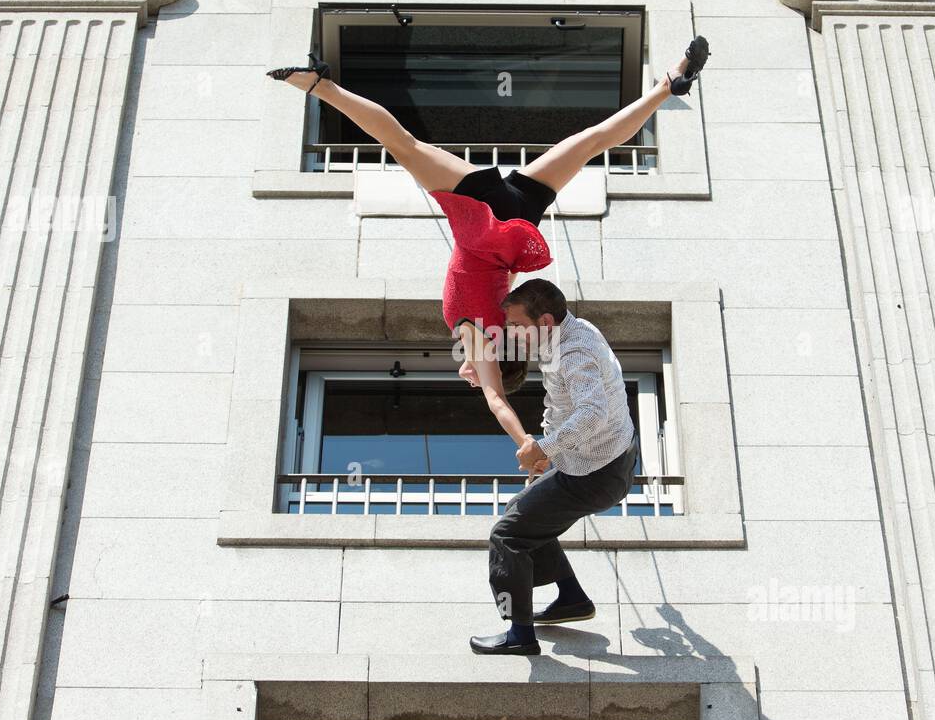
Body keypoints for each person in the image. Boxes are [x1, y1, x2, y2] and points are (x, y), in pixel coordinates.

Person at [268, 35, 709, 464]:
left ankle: (670, 85)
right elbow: (498, 401)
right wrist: (528, 444)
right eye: (474, 377)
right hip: (482, 218)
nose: (468, 377)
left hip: (517, 219)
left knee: (592, 140)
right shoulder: (478, 334)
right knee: (404, 144)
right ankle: (319, 85)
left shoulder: (505, 317)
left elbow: (498, 303)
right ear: (492, 362)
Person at [468, 278, 638, 655]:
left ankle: (520, 636)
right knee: (523, 513)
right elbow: (565, 403)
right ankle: (571, 598)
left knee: (507, 535)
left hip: (595, 474)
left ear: (544, 321)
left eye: (516, 325)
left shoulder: (574, 351)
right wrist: (550, 449)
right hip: (608, 459)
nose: (511, 332)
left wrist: (542, 447)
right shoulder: (570, 330)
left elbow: (592, 413)